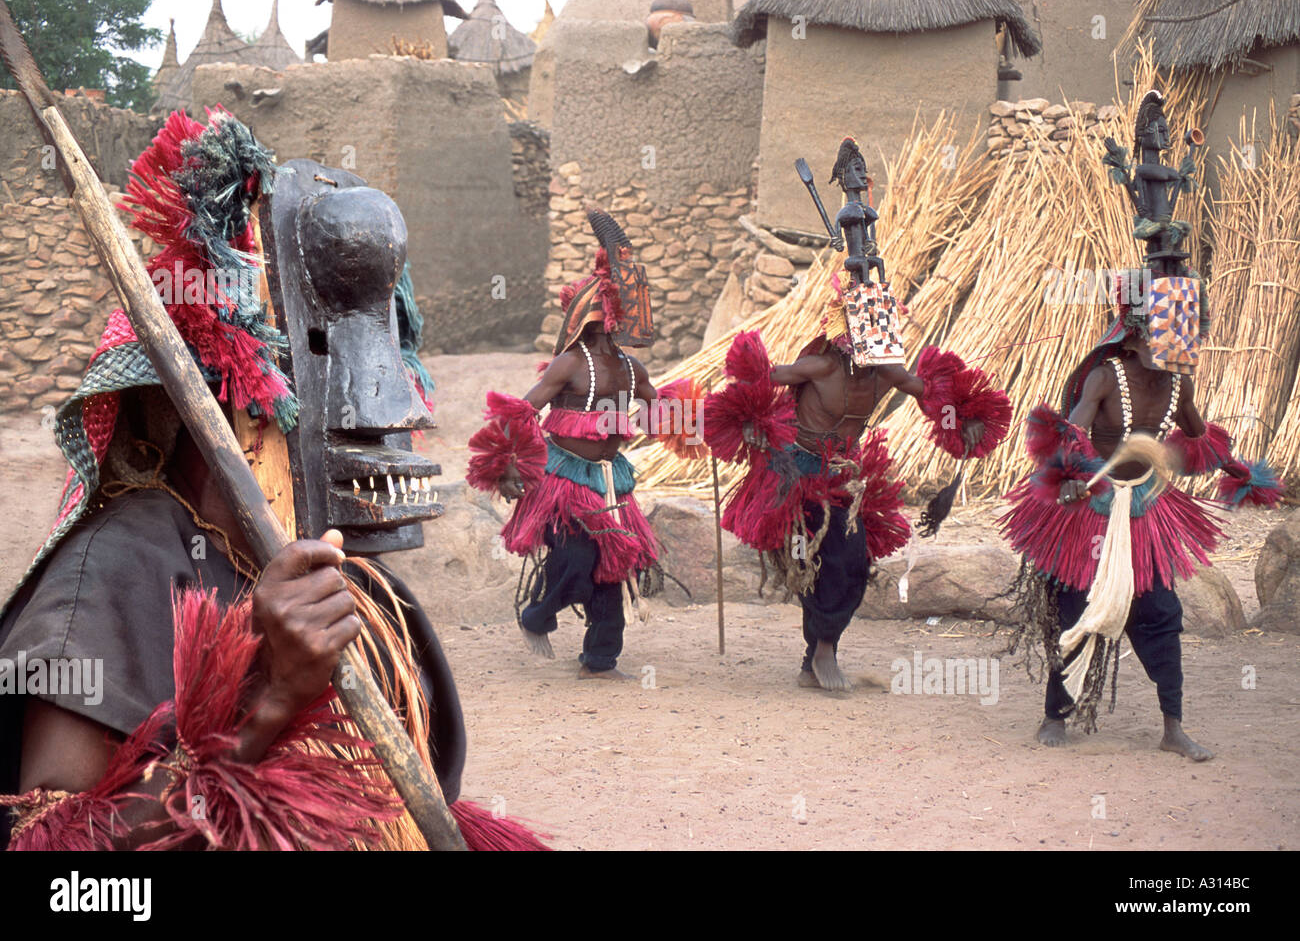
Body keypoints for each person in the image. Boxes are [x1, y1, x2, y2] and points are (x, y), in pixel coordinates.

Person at [0, 108, 544, 850]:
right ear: (228, 398)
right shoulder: (112, 575)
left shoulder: (346, 571)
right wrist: (262, 702)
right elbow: (64, 871)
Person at [1002, 95, 1282, 755]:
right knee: (1076, 609)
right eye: (1161, 332)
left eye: (1178, 335)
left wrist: (1236, 468)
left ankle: (1174, 726)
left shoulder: (1178, 380)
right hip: (1092, 511)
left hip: (1145, 513)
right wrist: (1066, 477)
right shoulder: (1107, 377)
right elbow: (1070, 432)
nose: (1172, 346)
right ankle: (1055, 715)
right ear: (1134, 332)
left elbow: (1196, 435)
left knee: (1160, 614)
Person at [702, 139, 1012, 691]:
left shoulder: (887, 371)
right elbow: (759, 378)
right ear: (848, 332)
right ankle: (819, 656)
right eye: (870, 332)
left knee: (849, 564)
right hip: (795, 473)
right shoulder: (818, 365)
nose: (880, 342)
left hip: (846, 478)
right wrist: (740, 417)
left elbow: (929, 395)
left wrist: (963, 421)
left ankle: (819, 654)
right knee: (820, 566)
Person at [468, 206, 694, 679]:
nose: (632, 320)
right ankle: (538, 615)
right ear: (600, 316)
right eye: (624, 311)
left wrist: (699, 424)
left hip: (612, 484)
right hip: (562, 481)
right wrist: (506, 467)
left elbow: (661, 413)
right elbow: (523, 411)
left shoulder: (634, 370)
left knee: (612, 567)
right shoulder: (569, 365)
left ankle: (601, 655)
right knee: (576, 559)